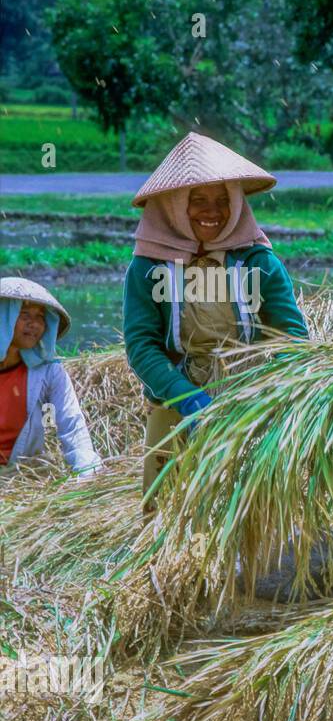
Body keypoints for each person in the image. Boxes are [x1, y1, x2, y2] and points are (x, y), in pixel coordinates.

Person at [122, 132, 308, 510]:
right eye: (198, 201)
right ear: (173, 206)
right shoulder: (148, 267)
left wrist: (276, 393)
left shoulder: (258, 262)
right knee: (165, 510)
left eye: (223, 200)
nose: (213, 212)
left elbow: (292, 336)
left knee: (252, 509)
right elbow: (142, 345)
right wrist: (187, 398)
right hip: (176, 402)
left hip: (249, 400)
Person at [0, 277, 101, 478]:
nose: (35, 324)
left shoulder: (48, 372)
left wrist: (89, 474)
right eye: (24, 314)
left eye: (40, 317)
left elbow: (72, 424)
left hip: (19, 476)